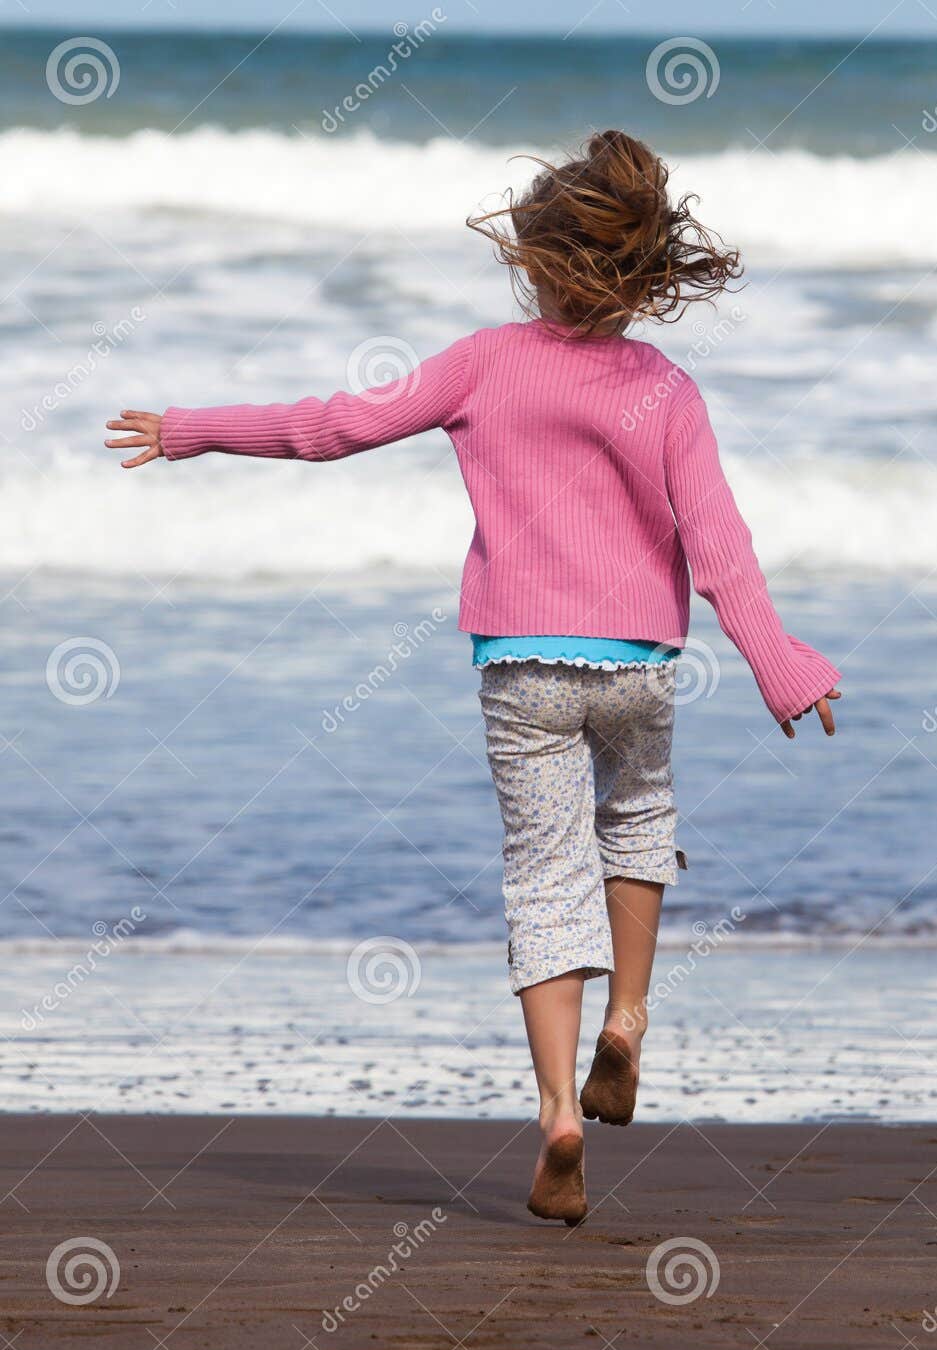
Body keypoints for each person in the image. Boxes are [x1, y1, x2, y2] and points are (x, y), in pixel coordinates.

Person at [105, 129, 840, 1228]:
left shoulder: (482, 362)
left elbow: (334, 427)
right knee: (636, 826)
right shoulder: (665, 391)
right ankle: (628, 1021)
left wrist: (192, 431)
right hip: (640, 663)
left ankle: (555, 1113)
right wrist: (780, 664)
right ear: (643, 272)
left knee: (545, 873)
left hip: (519, 667)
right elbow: (719, 542)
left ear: (533, 260)